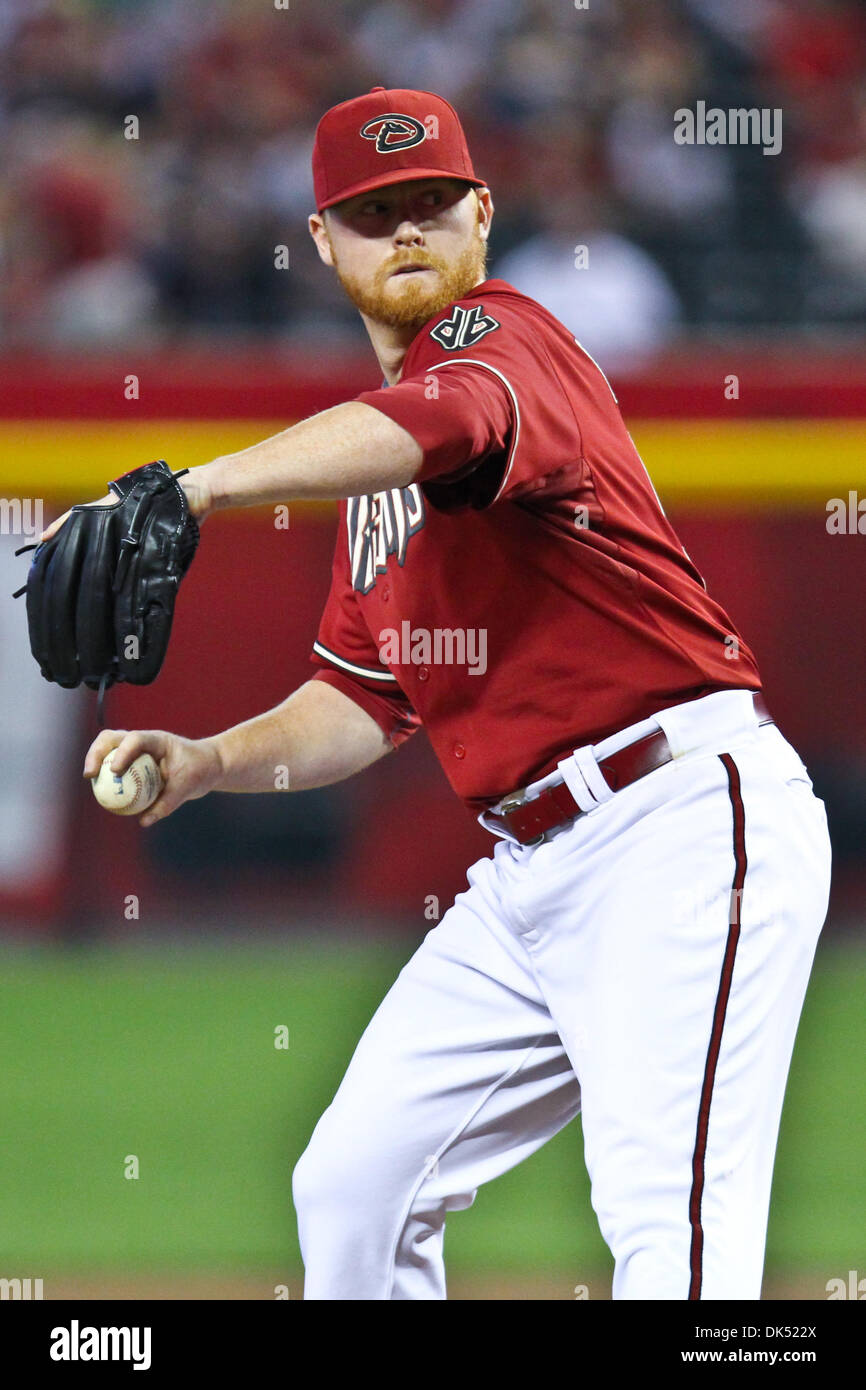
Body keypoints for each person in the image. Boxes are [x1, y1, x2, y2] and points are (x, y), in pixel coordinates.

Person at [59, 87, 831, 1300]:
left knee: (673, 1239)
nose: (406, 233)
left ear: (481, 213)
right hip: (527, 873)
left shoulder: (505, 339)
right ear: (321, 240)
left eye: (429, 203)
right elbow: (359, 703)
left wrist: (195, 489)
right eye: (373, 215)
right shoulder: (372, 485)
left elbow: (441, 422)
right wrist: (206, 759)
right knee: (355, 1185)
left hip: (674, 824)